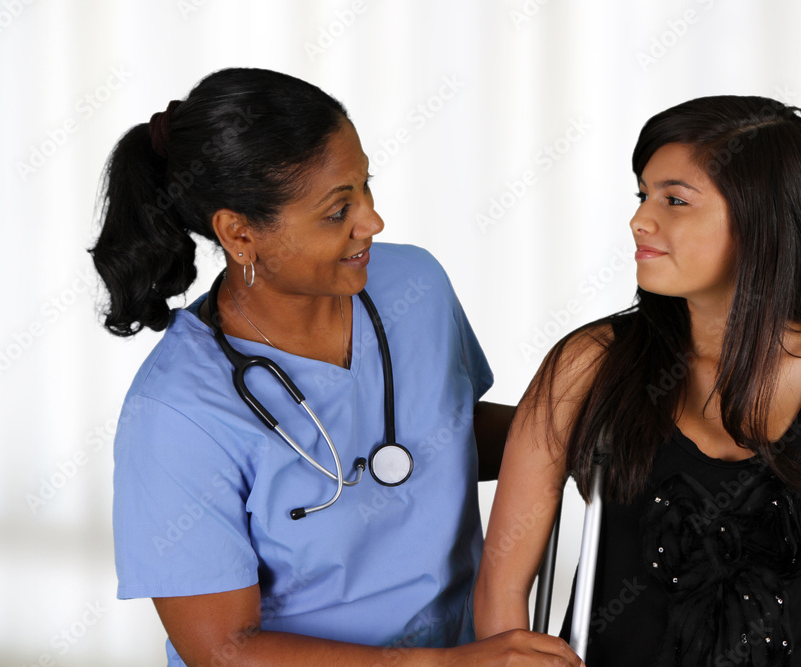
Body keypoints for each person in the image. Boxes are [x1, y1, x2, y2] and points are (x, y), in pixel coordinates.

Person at [91, 67, 582, 666]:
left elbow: (443, 432)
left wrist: (584, 428)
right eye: (337, 210)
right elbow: (222, 650)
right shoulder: (176, 413)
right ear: (239, 234)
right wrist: (446, 665)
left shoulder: (414, 284)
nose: (372, 221)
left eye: (365, 186)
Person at [474, 96, 801, 666]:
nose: (640, 220)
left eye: (674, 200)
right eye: (642, 195)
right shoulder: (587, 364)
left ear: (760, 220)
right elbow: (501, 585)